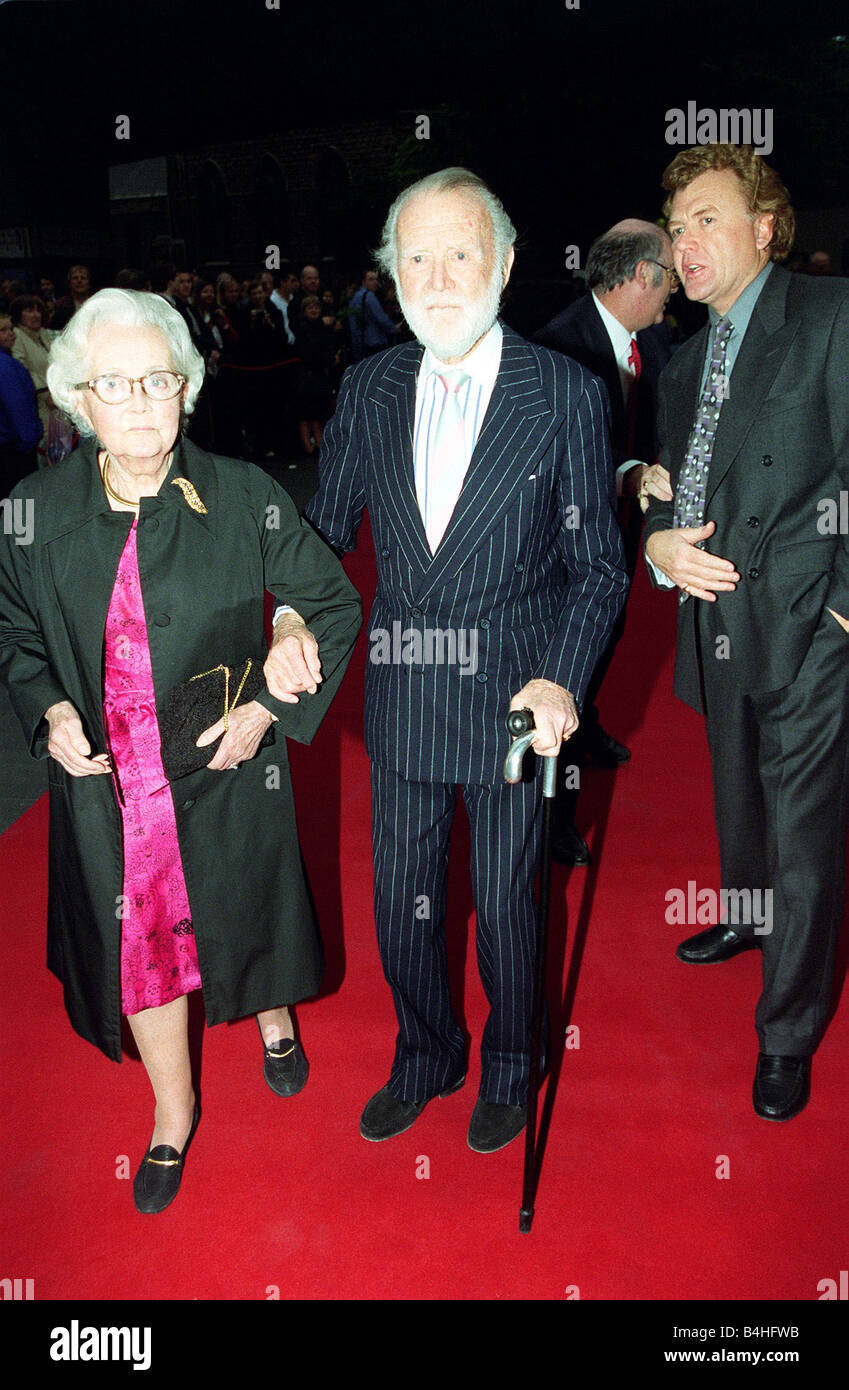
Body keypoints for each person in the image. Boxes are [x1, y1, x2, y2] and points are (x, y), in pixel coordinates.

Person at [268, 168, 627, 1154]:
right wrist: (294, 610)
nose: (436, 278)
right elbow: (322, 530)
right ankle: (427, 1053)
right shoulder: (372, 385)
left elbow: (599, 568)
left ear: (505, 265)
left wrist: (562, 675)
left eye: (458, 253)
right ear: (391, 274)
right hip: (405, 695)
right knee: (402, 900)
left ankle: (513, 1063)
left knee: (511, 903)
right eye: (414, 257)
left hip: (520, 696)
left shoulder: (565, 393)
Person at [0, 289, 361, 1212]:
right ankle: (174, 1107)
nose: (139, 403)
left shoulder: (243, 494)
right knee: (143, 948)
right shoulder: (32, 513)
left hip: (225, 766)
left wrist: (270, 700)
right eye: (113, 385)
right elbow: (13, 635)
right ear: (76, 398)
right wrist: (47, 711)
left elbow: (324, 601)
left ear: (187, 388)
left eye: (158, 379)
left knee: (245, 912)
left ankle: (272, 1017)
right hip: (111, 795)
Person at [644, 144, 849, 1122]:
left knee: (804, 829)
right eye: (677, 226)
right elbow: (671, 490)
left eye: (709, 219)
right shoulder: (682, 363)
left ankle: (787, 1030)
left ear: (765, 227)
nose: (687, 243)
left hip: (816, 621)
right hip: (718, 620)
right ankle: (743, 915)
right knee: (737, 794)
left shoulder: (829, 315)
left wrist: (844, 607)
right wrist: (658, 543)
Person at [534, 221, 675, 863]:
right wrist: (631, 473)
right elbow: (561, 464)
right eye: (670, 274)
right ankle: (551, 821)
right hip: (565, 545)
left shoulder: (656, 341)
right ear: (643, 275)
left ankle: (585, 726)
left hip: (619, 529)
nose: (676, 288)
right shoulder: (558, 347)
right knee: (567, 664)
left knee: (608, 636)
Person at [9, 295, 57, 462]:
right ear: (18, 315)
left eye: (38, 310)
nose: (36, 315)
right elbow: (21, 373)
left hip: (54, 403)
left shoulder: (44, 334)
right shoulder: (16, 336)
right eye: (29, 311)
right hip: (37, 405)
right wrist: (49, 385)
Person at [0, 312, 42, 496]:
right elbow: (17, 409)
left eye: (11, 329)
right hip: (12, 453)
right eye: (3, 330)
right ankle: (19, 526)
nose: (11, 334)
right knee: (20, 507)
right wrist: (29, 441)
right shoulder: (5, 366)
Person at [348, 267, 401, 362]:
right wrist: (394, 329)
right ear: (364, 282)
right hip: (374, 341)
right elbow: (381, 318)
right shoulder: (369, 296)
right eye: (371, 279)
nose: (375, 282)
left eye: (376, 279)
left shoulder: (355, 296)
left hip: (360, 342)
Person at [51, 264, 92, 330]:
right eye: (75, 278)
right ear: (70, 283)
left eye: (83, 278)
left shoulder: (96, 303)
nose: (79, 281)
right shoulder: (60, 304)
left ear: (89, 283)